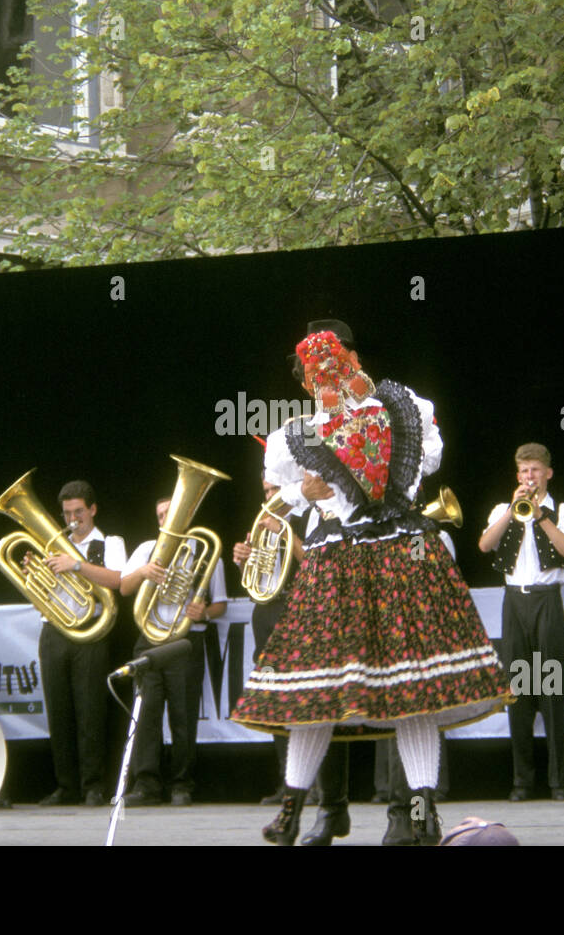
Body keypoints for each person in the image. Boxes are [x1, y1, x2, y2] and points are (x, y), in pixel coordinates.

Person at [233, 327, 512, 845]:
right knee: (318, 685)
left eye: (332, 369)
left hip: (393, 550)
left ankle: (419, 808)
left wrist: (359, 467)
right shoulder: (299, 432)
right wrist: (302, 489)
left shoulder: (399, 408)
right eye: (318, 376)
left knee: (412, 685)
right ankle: (296, 807)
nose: (327, 381)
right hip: (341, 557)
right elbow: (280, 500)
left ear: (350, 363)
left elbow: (424, 465)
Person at [479, 443, 564, 801]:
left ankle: (558, 782)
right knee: (519, 694)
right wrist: (512, 510)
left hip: (547, 599)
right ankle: (522, 781)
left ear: (548, 473)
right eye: (523, 471)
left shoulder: (563, 510)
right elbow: (485, 545)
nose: (529, 477)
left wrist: (540, 515)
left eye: (534, 471)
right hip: (515, 602)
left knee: (552, 691)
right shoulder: (502, 509)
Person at [120, 495, 228, 806]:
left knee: (183, 715)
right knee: (146, 713)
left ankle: (182, 783)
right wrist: (143, 573)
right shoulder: (145, 550)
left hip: (184, 640)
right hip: (150, 639)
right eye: (161, 515)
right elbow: (125, 588)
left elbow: (220, 604)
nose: (166, 519)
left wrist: (204, 612)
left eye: (172, 512)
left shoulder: (208, 554)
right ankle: (146, 784)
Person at [33, 480, 126, 807]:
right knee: (59, 712)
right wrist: (35, 576)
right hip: (54, 631)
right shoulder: (51, 545)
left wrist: (74, 564)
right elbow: (39, 597)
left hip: (91, 630)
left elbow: (117, 580)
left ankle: (93, 786)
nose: (72, 519)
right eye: (67, 513)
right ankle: (65, 786)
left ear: (92, 509)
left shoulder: (109, 542)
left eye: (78, 512)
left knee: (90, 711)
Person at [230, 474, 305, 807]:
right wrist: (244, 558)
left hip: (299, 610)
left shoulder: (306, 516)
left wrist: (285, 533)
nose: (270, 496)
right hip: (267, 612)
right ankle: (287, 783)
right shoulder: (260, 525)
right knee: (274, 700)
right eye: (266, 491)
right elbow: (258, 578)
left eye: (276, 489)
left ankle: (314, 783)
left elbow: (316, 561)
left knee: (305, 697)